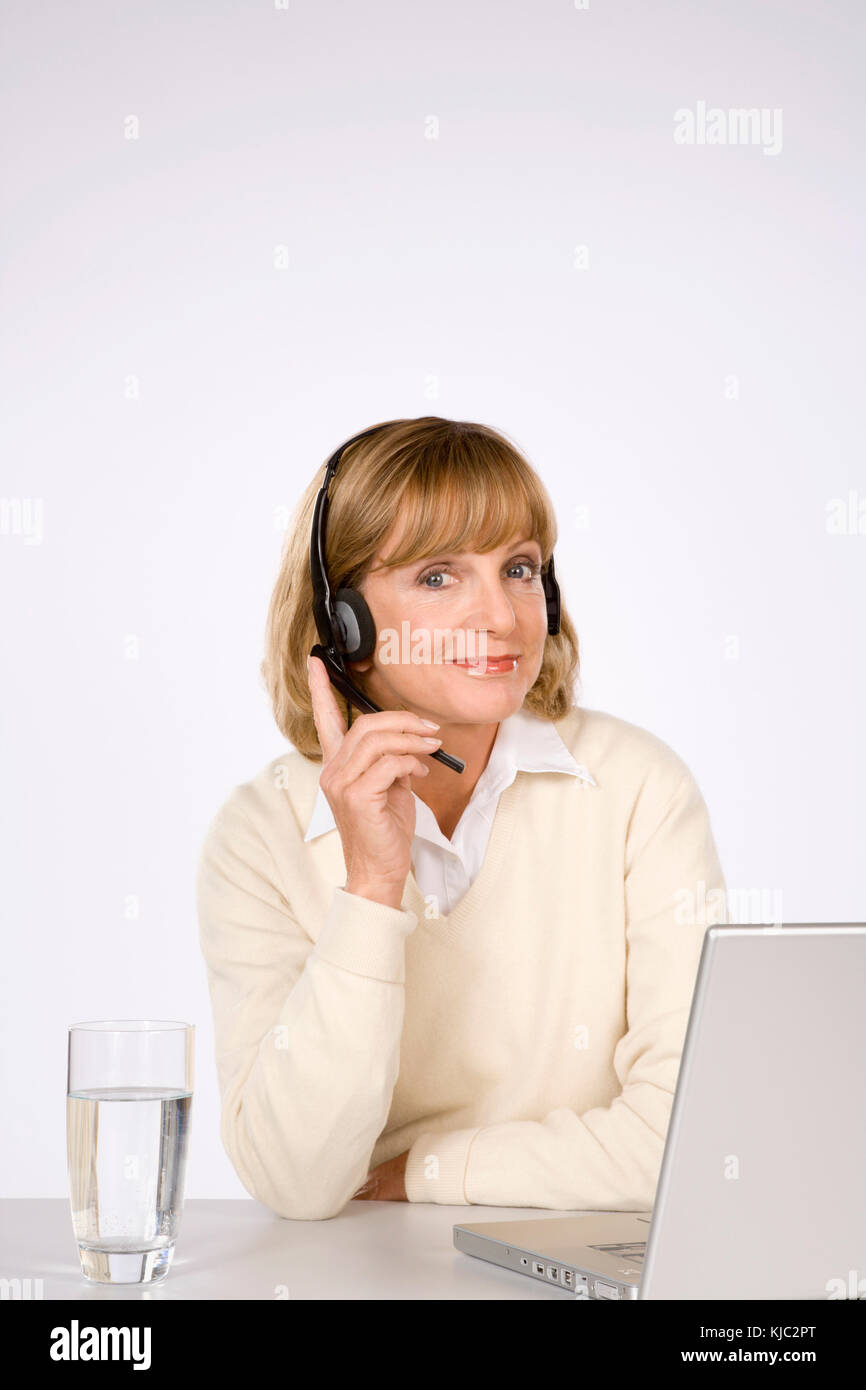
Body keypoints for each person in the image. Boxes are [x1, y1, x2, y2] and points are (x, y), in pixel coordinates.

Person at [196, 415, 727, 1220]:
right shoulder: (258, 837)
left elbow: (688, 1137)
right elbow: (296, 1182)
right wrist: (371, 889)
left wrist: (425, 1171)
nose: (502, 617)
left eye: (519, 568)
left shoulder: (638, 788)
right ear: (347, 627)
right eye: (439, 576)